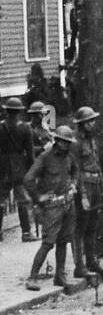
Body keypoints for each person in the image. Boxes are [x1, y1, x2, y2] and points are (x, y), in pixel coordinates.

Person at [22, 126, 79, 291]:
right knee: (48, 243)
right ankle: (32, 278)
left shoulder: (70, 157)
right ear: (57, 141)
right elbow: (28, 179)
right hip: (52, 207)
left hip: (68, 204)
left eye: (69, 143)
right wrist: (38, 197)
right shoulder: (45, 158)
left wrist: (74, 184)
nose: (67, 146)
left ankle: (60, 277)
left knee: (63, 241)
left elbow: (76, 172)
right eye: (65, 142)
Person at [70, 106, 103, 277]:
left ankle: (91, 261)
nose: (92, 123)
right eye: (89, 121)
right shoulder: (76, 143)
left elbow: (98, 166)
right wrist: (83, 195)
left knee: (93, 226)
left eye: (93, 120)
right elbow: (75, 170)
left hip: (95, 185)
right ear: (81, 123)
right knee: (80, 228)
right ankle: (79, 266)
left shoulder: (92, 141)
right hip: (83, 186)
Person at [0, 98, 36, 242]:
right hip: (19, 166)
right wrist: (32, 171)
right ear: (20, 111)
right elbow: (30, 152)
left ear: (6, 110)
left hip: (2, 167)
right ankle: (26, 233)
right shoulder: (25, 128)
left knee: (1, 200)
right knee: (22, 200)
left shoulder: (0, 127)